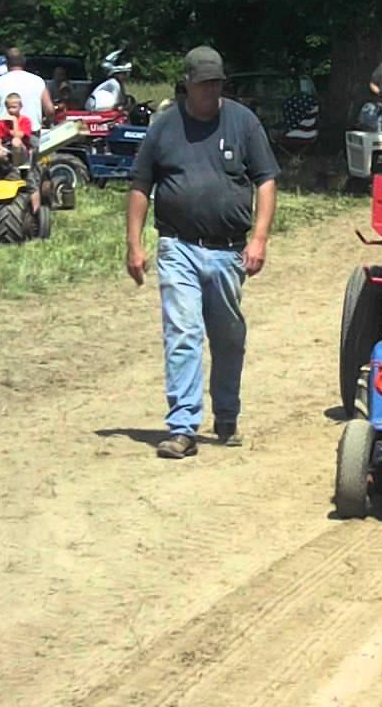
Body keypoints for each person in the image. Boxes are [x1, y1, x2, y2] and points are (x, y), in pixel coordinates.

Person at [125, 46, 280, 459]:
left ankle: (226, 414)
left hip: (228, 251)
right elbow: (140, 185)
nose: (212, 90)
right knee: (183, 332)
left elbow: (266, 180)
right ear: (188, 85)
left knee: (228, 338)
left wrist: (260, 238)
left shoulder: (243, 122)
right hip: (178, 246)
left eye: (217, 83)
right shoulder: (164, 127)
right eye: (205, 83)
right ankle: (182, 427)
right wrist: (134, 244)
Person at [0, 48, 55, 214]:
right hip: (31, 135)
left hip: (4, 136)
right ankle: (34, 212)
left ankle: (1, 208)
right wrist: (48, 121)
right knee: (33, 175)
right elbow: (50, 109)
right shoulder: (37, 81)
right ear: (23, 62)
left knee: (4, 172)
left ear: (6, 63)